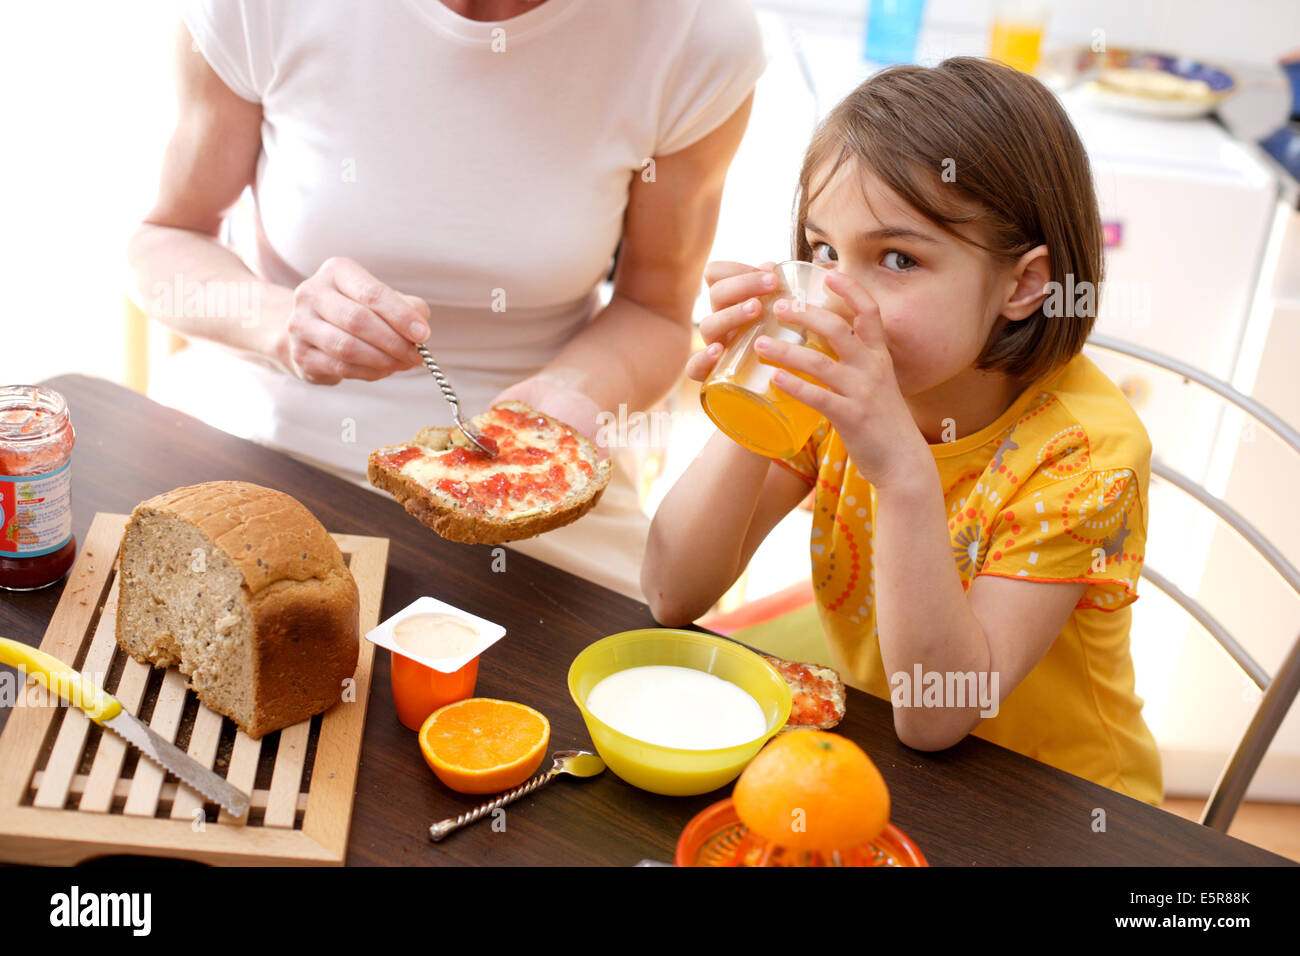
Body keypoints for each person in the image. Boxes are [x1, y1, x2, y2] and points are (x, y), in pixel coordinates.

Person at [643, 57, 1162, 805]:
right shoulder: (839, 384)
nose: (840, 295)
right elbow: (670, 591)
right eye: (823, 251)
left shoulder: (1083, 455)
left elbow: (938, 713)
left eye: (896, 258)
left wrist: (904, 474)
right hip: (890, 767)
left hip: (1053, 806)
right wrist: (755, 381)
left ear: (1022, 285)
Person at [127, 0, 765, 600]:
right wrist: (281, 324)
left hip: (532, 488)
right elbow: (164, 240)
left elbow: (654, 311)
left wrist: (568, 396)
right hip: (261, 440)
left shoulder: (693, 34)